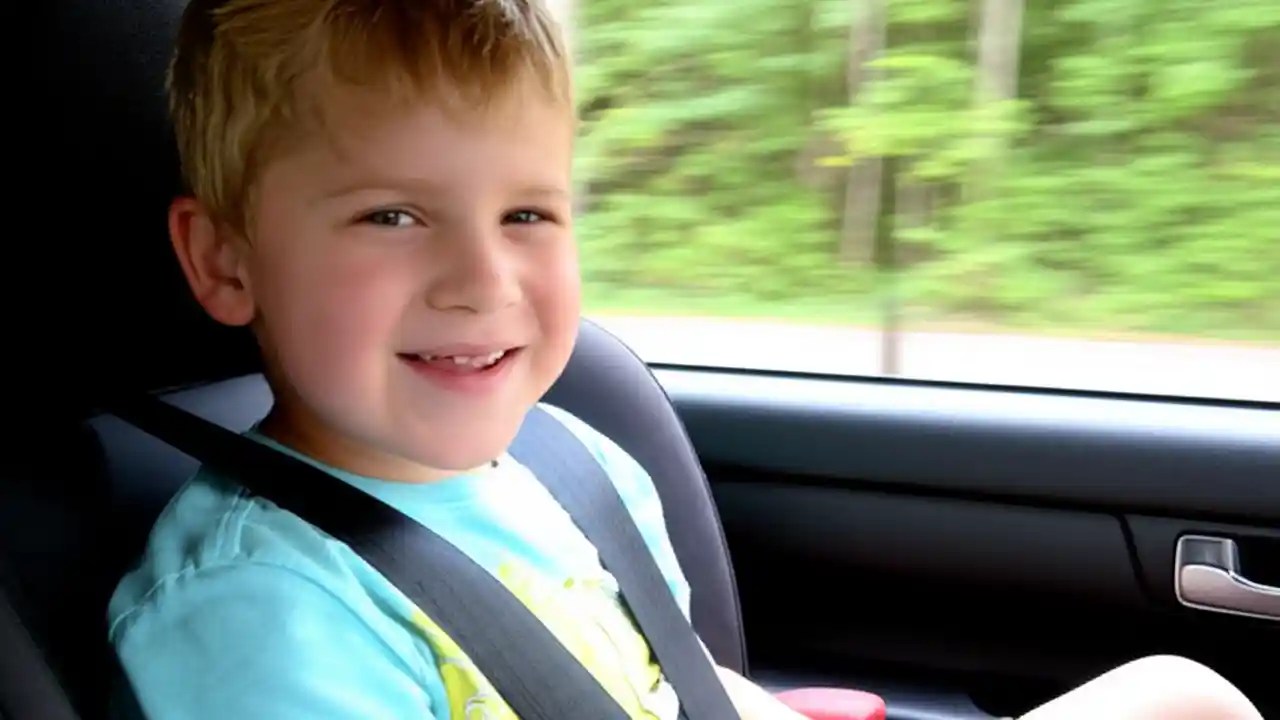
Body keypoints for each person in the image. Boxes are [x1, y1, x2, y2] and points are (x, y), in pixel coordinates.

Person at [106, 1, 1264, 719]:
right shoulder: (254, 610)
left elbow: (678, 689)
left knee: (1188, 692)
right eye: (392, 218)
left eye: (528, 216)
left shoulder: (572, 463)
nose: (482, 279)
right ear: (224, 259)